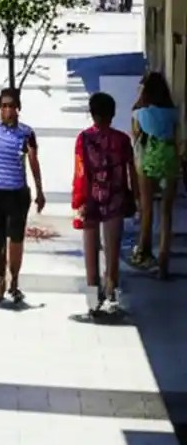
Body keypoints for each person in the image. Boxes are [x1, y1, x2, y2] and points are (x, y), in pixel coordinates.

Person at [0, 87, 45, 304]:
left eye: (11, 106)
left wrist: (40, 191)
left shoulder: (26, 133)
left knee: (16, 240)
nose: (8, 110)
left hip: (17, 194)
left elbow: (33, 162)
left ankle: (14, 281)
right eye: (4, 106)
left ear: (18, 108)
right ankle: (0, 278)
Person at [74, 92, 136, 316]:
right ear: (113, 113)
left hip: (90, 198)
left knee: (91, 253)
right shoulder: (122, 140)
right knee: (113, 251)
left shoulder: (83, 139)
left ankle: (92, 300)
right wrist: (135, 196)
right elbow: (131, 170)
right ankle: (111, 295)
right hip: (116, 199)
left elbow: (80, 171)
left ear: (92, 113)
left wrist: (79, 200)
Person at [130, 71, 178, 279]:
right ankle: (164, 264)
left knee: (147, 210)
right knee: (167, 214)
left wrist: (139, 101)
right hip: (169, 163)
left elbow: (135, 136)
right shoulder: (173, 113)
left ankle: (143, 252)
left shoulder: (141, 114)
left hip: (147, 163)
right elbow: (177, 137)